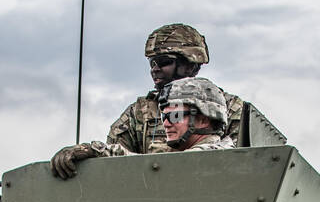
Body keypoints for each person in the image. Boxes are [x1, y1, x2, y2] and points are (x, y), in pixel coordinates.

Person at [51, 23, 243, 178]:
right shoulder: (139, 113)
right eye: (152, 63)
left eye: (164, 62)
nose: (155, 69)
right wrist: (91, 151)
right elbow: (113, 168)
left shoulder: (226, 109)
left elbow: (242, 163)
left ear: (190, 65)